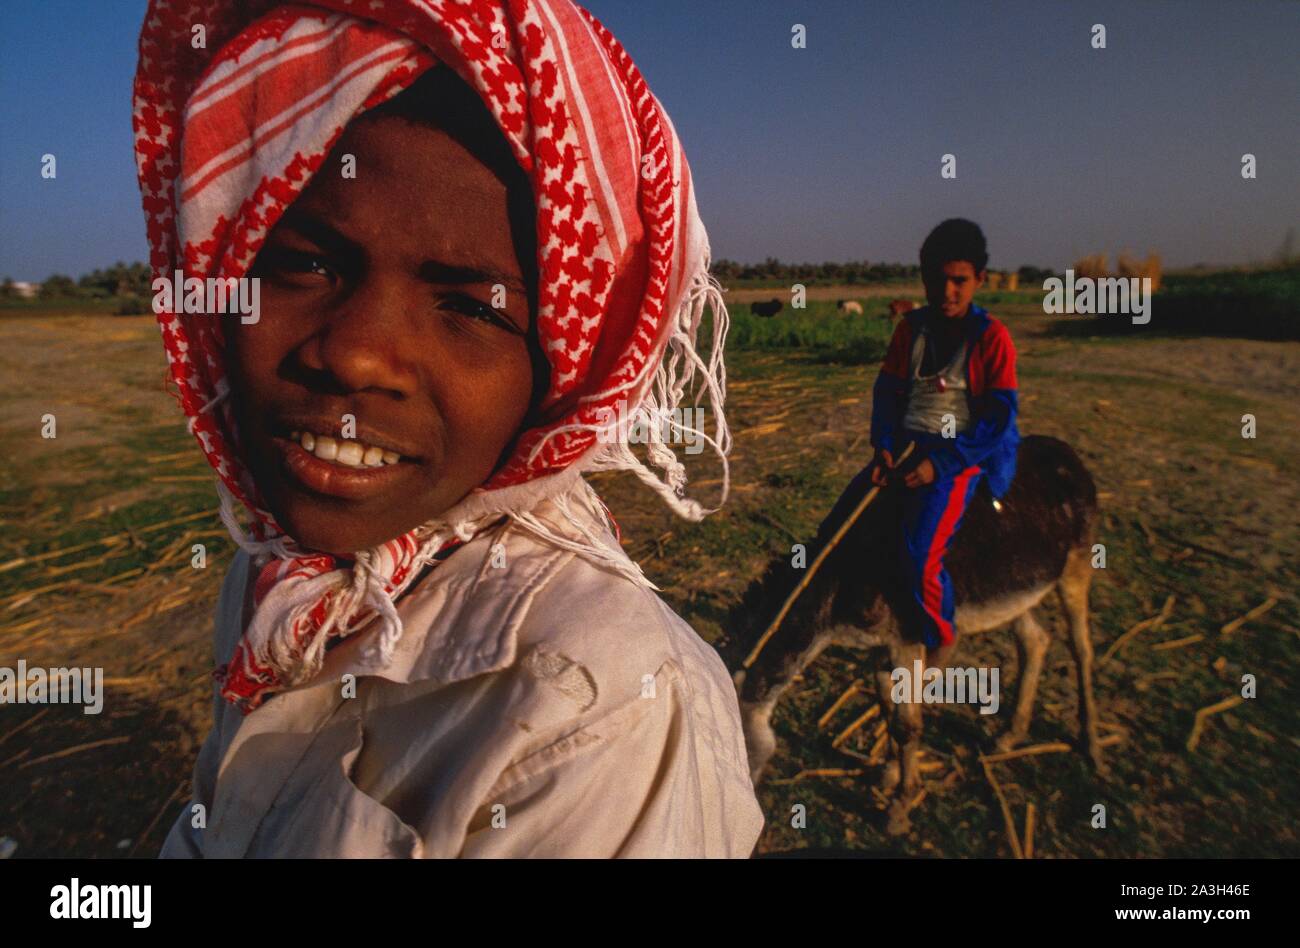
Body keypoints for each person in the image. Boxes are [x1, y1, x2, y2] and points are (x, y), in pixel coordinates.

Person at [135, 0, 761, 857]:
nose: (356, 355)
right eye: (306, 263)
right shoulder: (276, 572)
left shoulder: (598, 708)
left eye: (470, 307)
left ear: (567, 374)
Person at [868, 219, 1020, 662]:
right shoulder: (910, 329)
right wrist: (884, 444)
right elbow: (888, 393)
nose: (947, 291)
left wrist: (942, 465)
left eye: (959, 281)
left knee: (920, 555)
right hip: (907, 443)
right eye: (937, 280)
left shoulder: (991, 337)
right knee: (846, 523)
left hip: (962, 452)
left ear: (980, 279)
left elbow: (997, 417)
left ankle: (940, 634)